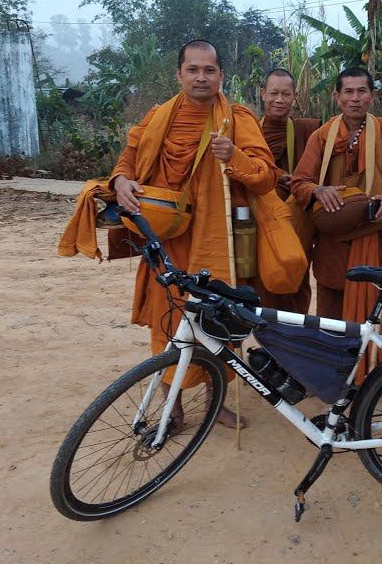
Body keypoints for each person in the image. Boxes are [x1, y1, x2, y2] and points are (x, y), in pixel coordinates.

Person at [105, 39, 287, 429]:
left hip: (218, 239)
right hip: (169, 241)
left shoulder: (237, 119)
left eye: (209, 70)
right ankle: (173, 408)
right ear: (180, 74)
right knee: (168, 319)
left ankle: (214, 400)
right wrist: (120, 179)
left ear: (221, 74)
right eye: (193, 69)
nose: (201, 77)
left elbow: (266, 175)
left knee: (220, 319)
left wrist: (234, 157)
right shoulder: (158, 117)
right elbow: (130, 157)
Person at [289, 67, 382, 382]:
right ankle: (334, 372)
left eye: (361, 91)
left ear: (372, 95)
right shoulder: (322, 136)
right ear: (336, 96)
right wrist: (318, 191)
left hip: (377, 237)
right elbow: (300, 182)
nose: (355, 98)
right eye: (348, 92)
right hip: (333, 241)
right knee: (331, 310)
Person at [255, 67, 321, 314]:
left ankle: (296, 331)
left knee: (296, 273)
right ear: (263, 93)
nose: (279, 100)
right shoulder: (248, 128)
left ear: (295, 95)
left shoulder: (310, 129)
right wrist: (277, 176)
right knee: (262, 276)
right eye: (273, 93)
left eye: (286, 94)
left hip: (297, 219)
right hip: (260, 216)